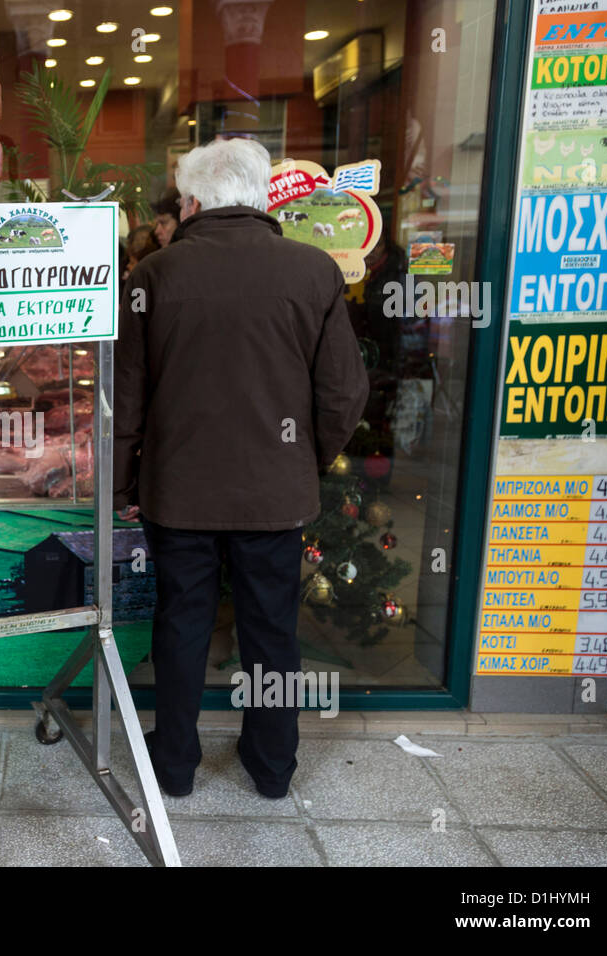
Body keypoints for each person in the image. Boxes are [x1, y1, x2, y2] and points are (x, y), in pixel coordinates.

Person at [114, 137, 368, 799]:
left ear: (193, 200)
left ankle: (174, 765)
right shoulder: (313, 272)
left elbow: (129, 400)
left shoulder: (153, 278)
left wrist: (121, 485)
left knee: (182, 623)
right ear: (261, 198)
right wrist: (300, 461)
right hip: (274, 497)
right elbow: (345, 394)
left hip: (179, 494)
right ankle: (273, 767)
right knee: (272, 632)